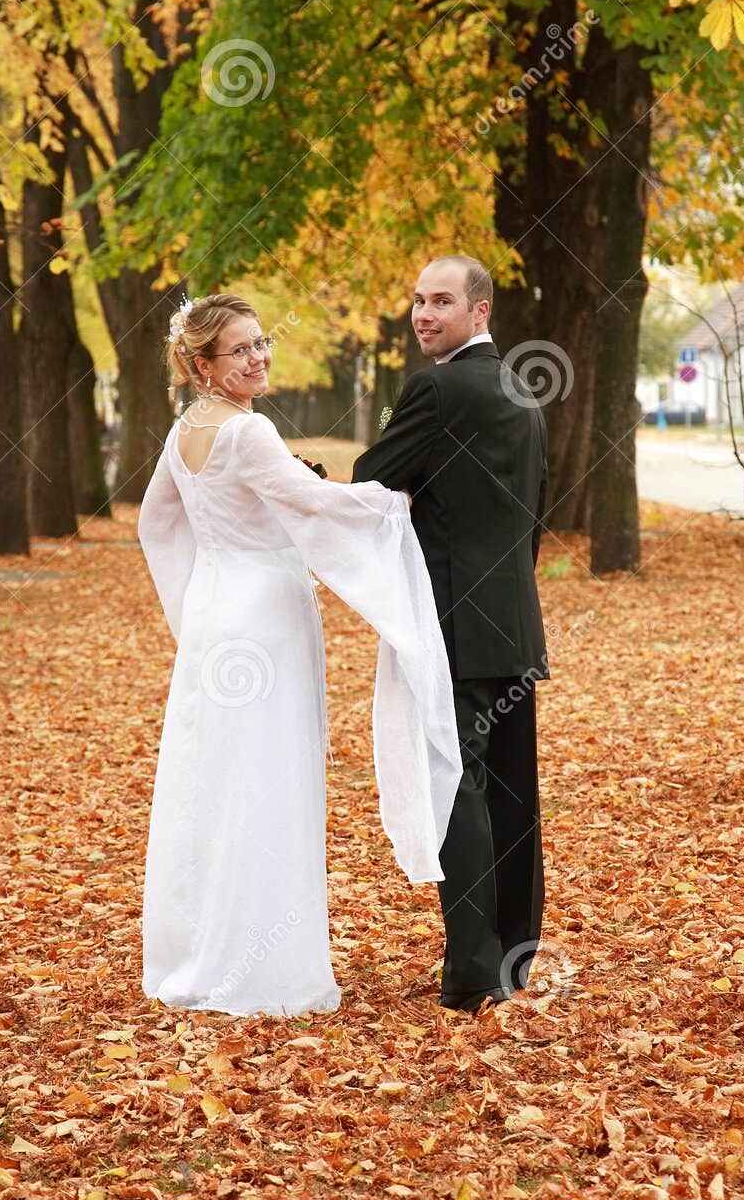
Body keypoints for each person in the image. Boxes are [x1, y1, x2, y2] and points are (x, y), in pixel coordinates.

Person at [136, 292, 462, 1018]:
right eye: (240, 350)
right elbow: (308, 503)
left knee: (216, 780)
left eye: (260, 343)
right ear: (201, 365)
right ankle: (263, 971)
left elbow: (155, 522)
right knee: (268, 780)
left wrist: (189, 606)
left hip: (217, 619)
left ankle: (200, 954)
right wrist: (390, 503)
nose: (258, 358)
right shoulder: (246, 433)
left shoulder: (185, 429)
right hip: (267, 619)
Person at [352, 256, 548, 1012]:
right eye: (417, 300)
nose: (424, 314)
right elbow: (534, 512)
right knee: (508, 789)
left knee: (454, 786)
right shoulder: (523, 391)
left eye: (441, 301)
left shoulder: (435, 387)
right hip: (512, 620)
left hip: (452, 624)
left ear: (480, 311)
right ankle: (512, 957)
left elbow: (375, 479)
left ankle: (471, 970)